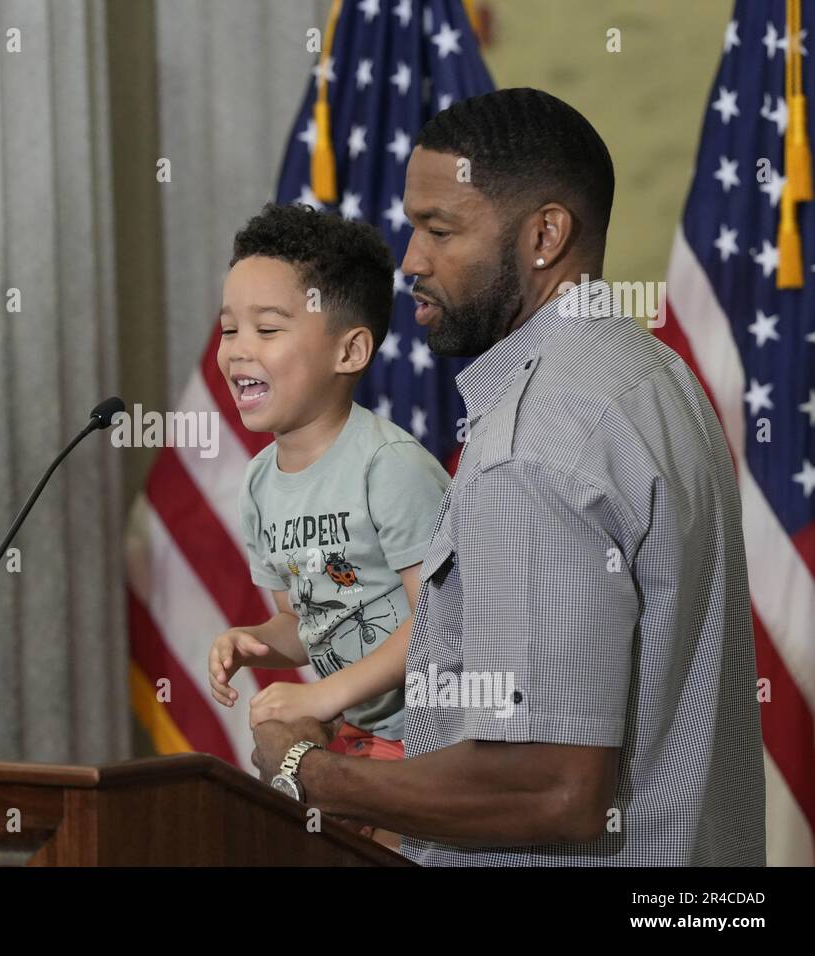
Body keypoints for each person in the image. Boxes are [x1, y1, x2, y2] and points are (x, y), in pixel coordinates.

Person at [250, 87, 765, 866]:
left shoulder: (532, 443)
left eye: (440, 230)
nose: (411, 261)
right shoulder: (655, 375)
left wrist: (310, 771)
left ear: (545, 235)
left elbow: (551, 788)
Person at [208, 203, 449, 768]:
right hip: (359, 742)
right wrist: (255, 641)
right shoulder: (259, 484)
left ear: (349, 351)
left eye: (267, 329)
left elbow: (442, 624)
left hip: (435, 742)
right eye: (229, 329)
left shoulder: (389, 467)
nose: (240, 348)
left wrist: (323, 695)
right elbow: (305, 621)